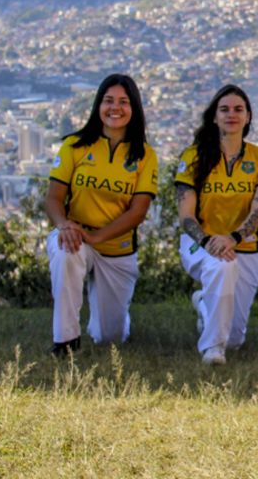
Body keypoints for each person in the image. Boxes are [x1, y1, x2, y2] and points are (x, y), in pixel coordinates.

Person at [45, 74, 158, 355]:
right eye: (108, 101)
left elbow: (138, 211)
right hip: (76, 234)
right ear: (98, 105)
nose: (115, 108)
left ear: (134, 108)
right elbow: (53, 198)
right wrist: (64, 226)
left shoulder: (144, 155)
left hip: (116, 249)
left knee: (110, 338)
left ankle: (111, 321)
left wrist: (97, 237)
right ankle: (66, 341)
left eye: (123, 102)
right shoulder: (75, 145)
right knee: (66, 252)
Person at [176, 84, 258, 366]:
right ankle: (213, 350)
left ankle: (206, 307)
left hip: (243, 245)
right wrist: (210, 242)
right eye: (224, 109)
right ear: (214, 117)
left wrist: (233, 237)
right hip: (200, 242)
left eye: (238, 109)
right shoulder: (193, 157)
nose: (231, 114)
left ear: (248, 117)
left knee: (237, 338)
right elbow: (186, 215)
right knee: (222, 265)